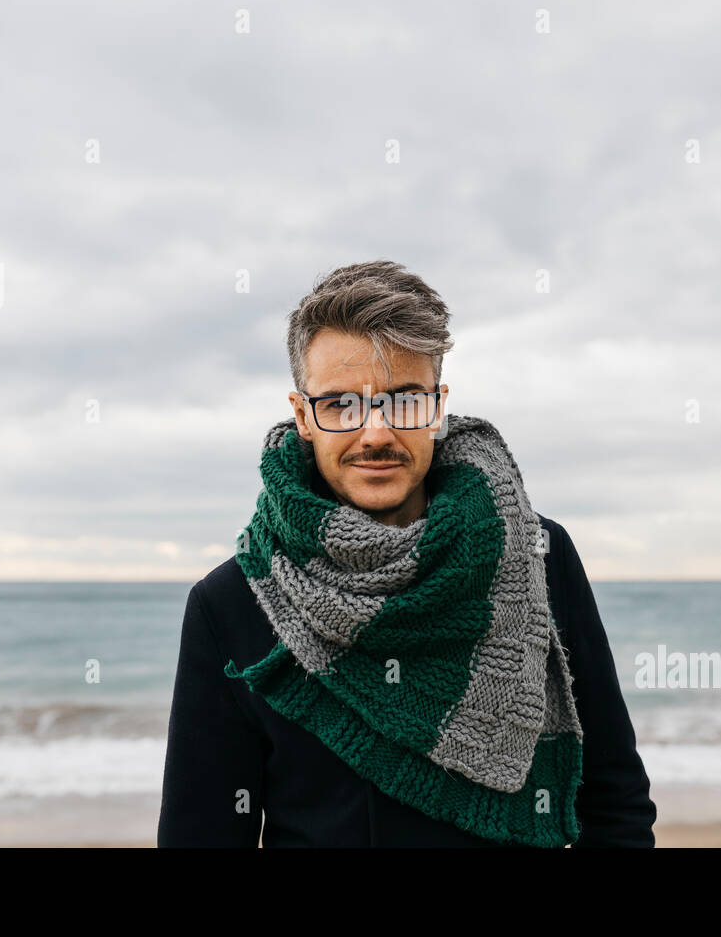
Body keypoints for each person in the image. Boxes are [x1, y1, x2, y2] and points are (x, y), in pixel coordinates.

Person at [158, 260, 656, 847]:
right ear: (302, 417)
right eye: (341, 404)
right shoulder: (233, 602)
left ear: (438, 407)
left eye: (404, 401)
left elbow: (614, 799)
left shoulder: (536, 554)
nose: (375, 434)